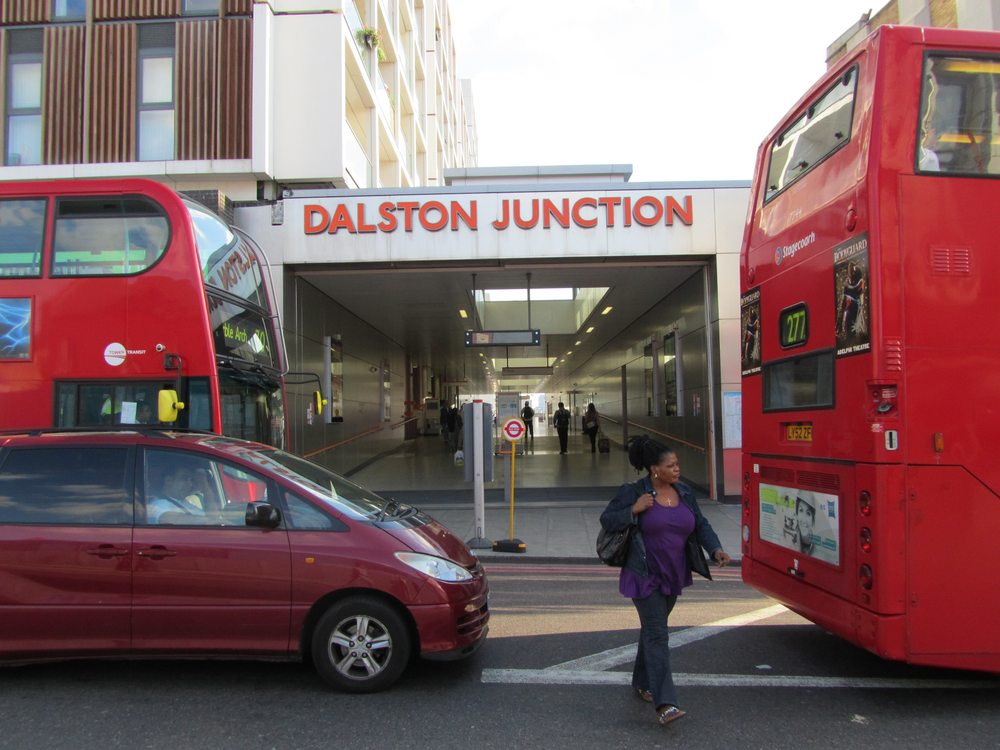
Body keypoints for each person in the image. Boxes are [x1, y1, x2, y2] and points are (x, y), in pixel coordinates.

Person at [599, 436, 731, 726]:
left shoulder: (683, 492)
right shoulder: (634, 492)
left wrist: (715, 548)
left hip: (674, 572)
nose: (677, 469)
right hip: (644, 574)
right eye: (670, 465)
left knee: (652, 630)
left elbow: (701, 524)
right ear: (654, 469)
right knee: (658, 634)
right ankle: (665, 703)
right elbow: (608, 519)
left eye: (677, 464)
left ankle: (641, 681)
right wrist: (633, 510)